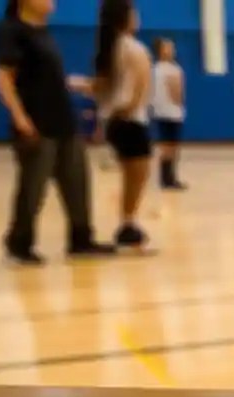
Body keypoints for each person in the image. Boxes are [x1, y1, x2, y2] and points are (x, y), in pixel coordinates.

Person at [0, 0, 115, 264]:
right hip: (37, 124)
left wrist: (81, 84)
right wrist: (20, 117)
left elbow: (47, 77)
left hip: (64, 122)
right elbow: (4, 78)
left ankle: (81, 240)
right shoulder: (12, 30)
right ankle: (19, 244)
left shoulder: (44, 32)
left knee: (77, 182)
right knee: (33, 187)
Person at [95, 0, 154, 250]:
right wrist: (129, 108)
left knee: (129, 176)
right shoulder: (134, 47)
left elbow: (101, 88)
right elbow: (141, 85)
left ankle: (127, 224)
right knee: (137, 176)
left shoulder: (108, 48)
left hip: (113, 120)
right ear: (125, 17)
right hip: (130, 120)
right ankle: (128, 224)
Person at [151, 37, 186, 190]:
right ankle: (170, 178)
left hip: (159, 111)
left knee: (166, 145)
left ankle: (165, 178)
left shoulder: (154, 69)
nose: (172, 50)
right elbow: (177, 92)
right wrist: (179, 105)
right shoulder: (174, 69)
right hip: (172, 112)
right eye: (169, 47)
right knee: (171, 146)